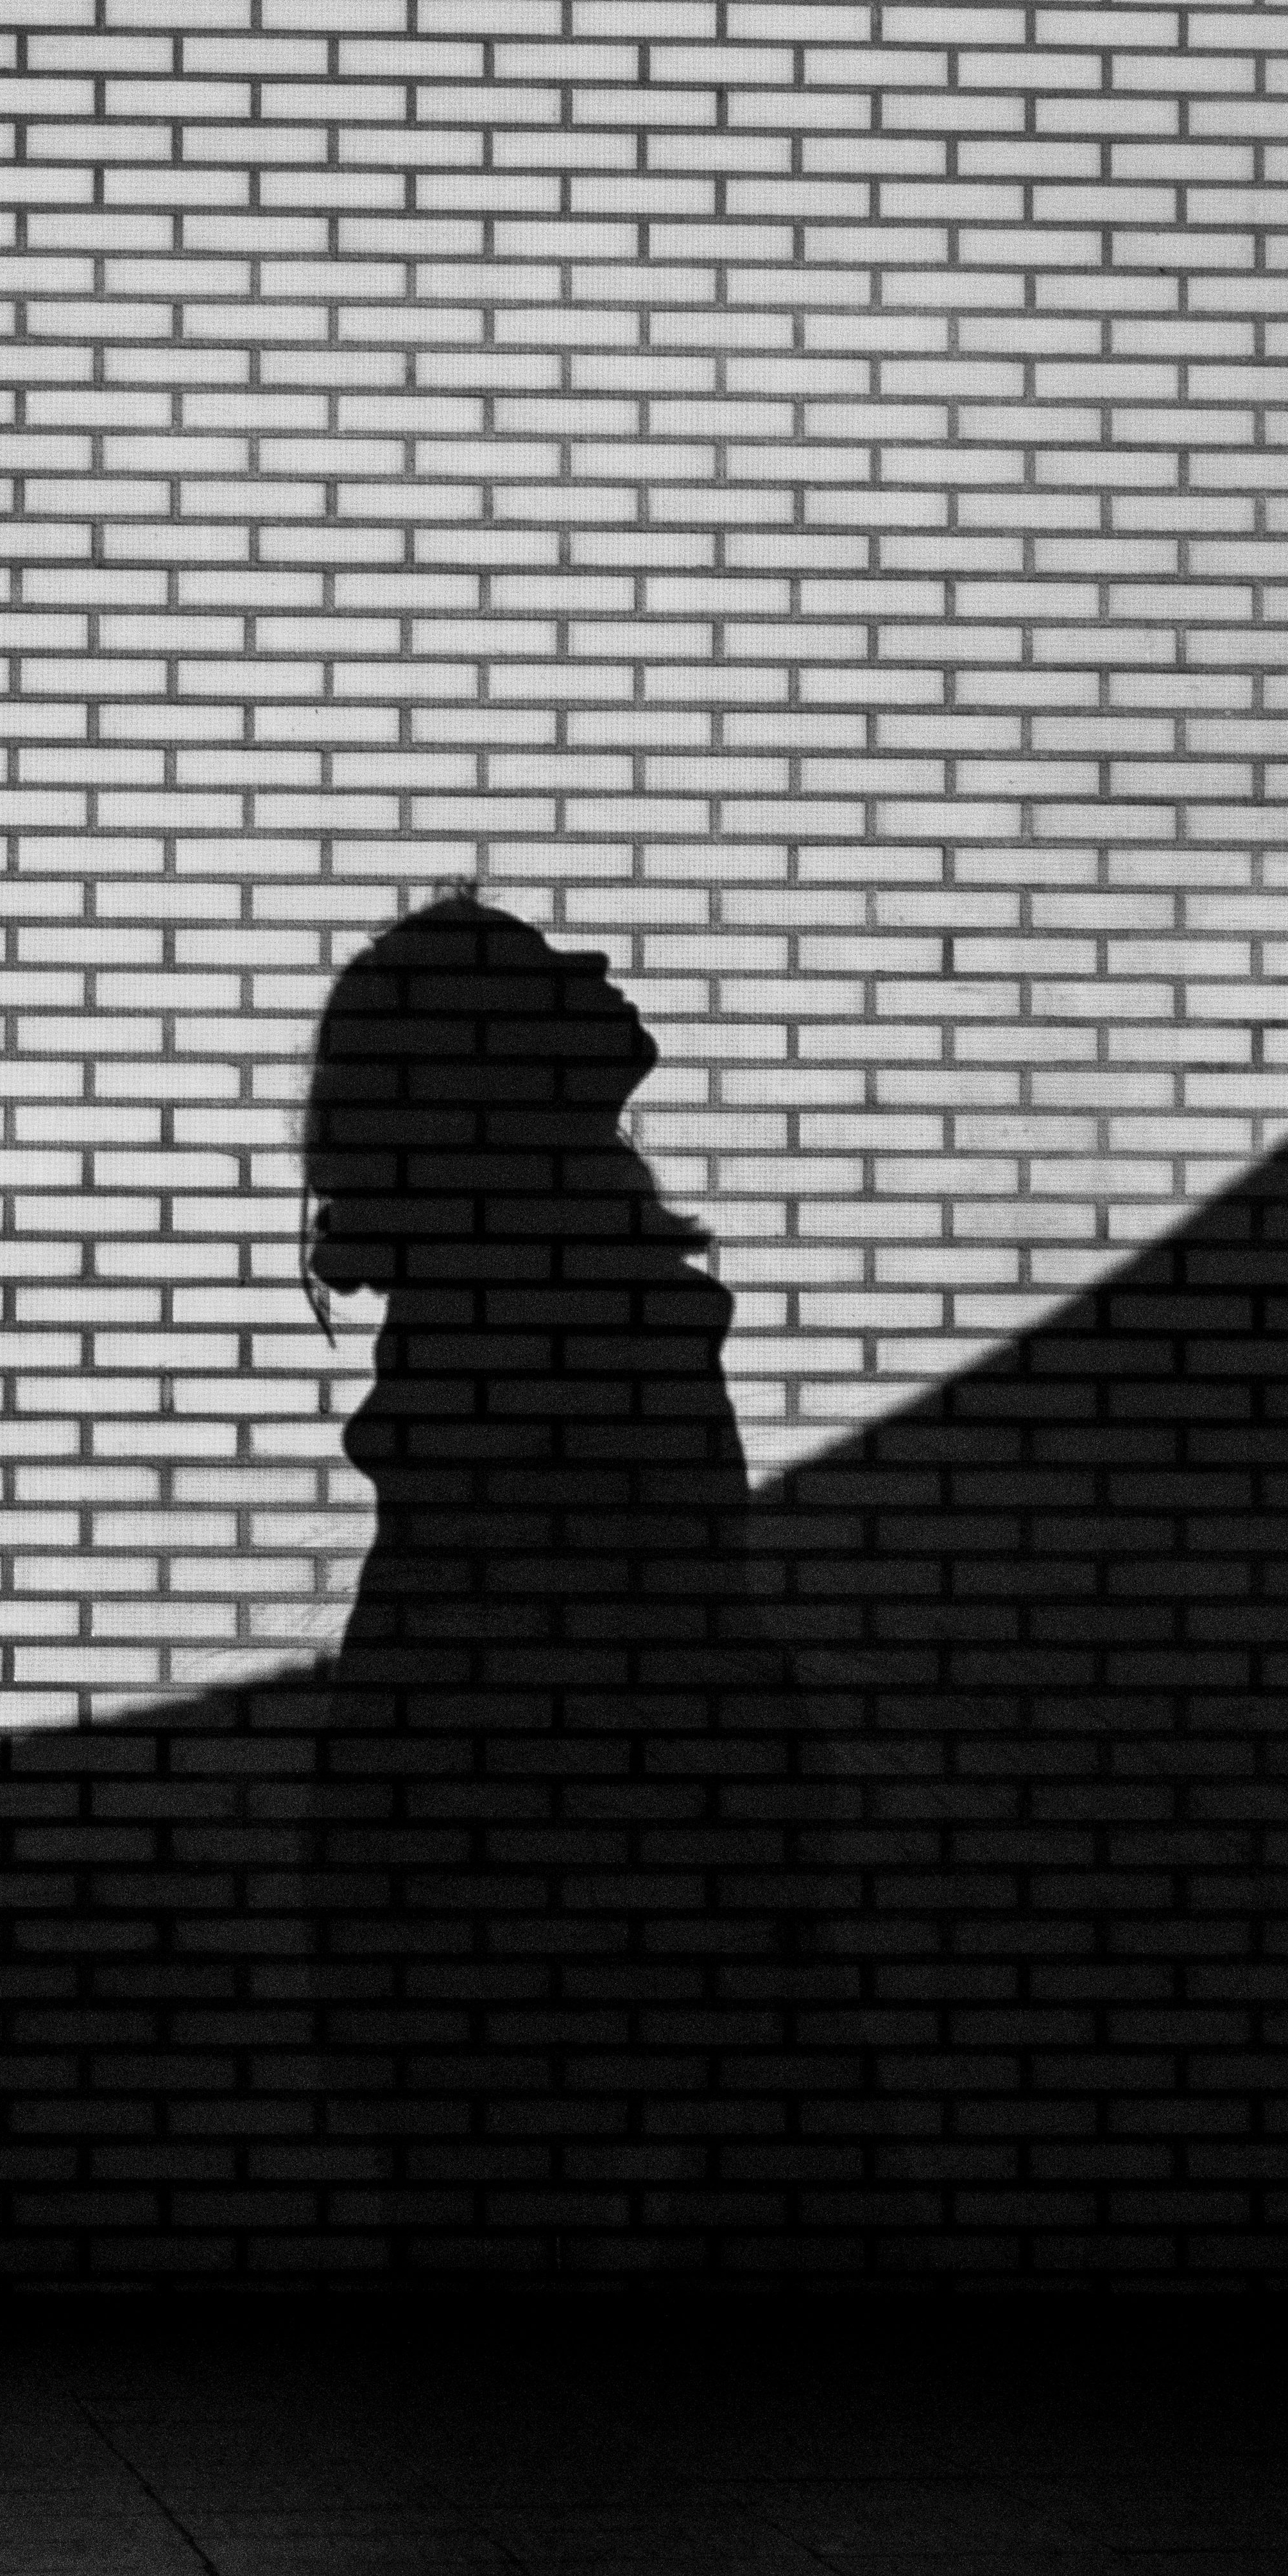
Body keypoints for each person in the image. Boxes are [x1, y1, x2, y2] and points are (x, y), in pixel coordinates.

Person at [295, 890, 815, 2229]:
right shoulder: (557, 1303)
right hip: (574, 1879)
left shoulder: (517, 1294)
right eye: (536, 966)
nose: (589, 960)